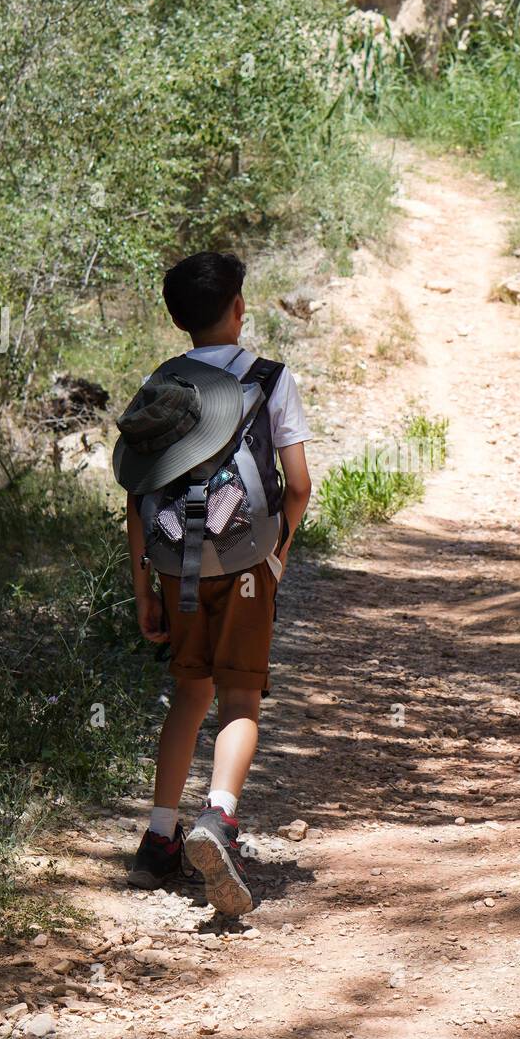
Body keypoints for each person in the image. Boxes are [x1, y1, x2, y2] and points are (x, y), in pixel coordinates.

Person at [115, 251, 312, 914]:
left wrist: (144, 585)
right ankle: (219, 819)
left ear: (178, 319)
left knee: (188, 691)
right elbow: (300, 485)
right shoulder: (270, 379)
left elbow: (136, 492)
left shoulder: (159, 383)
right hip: (248, 562)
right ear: (239, 308)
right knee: (240, 696)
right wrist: (275, 554)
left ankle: (157, 839)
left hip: (174, 562)